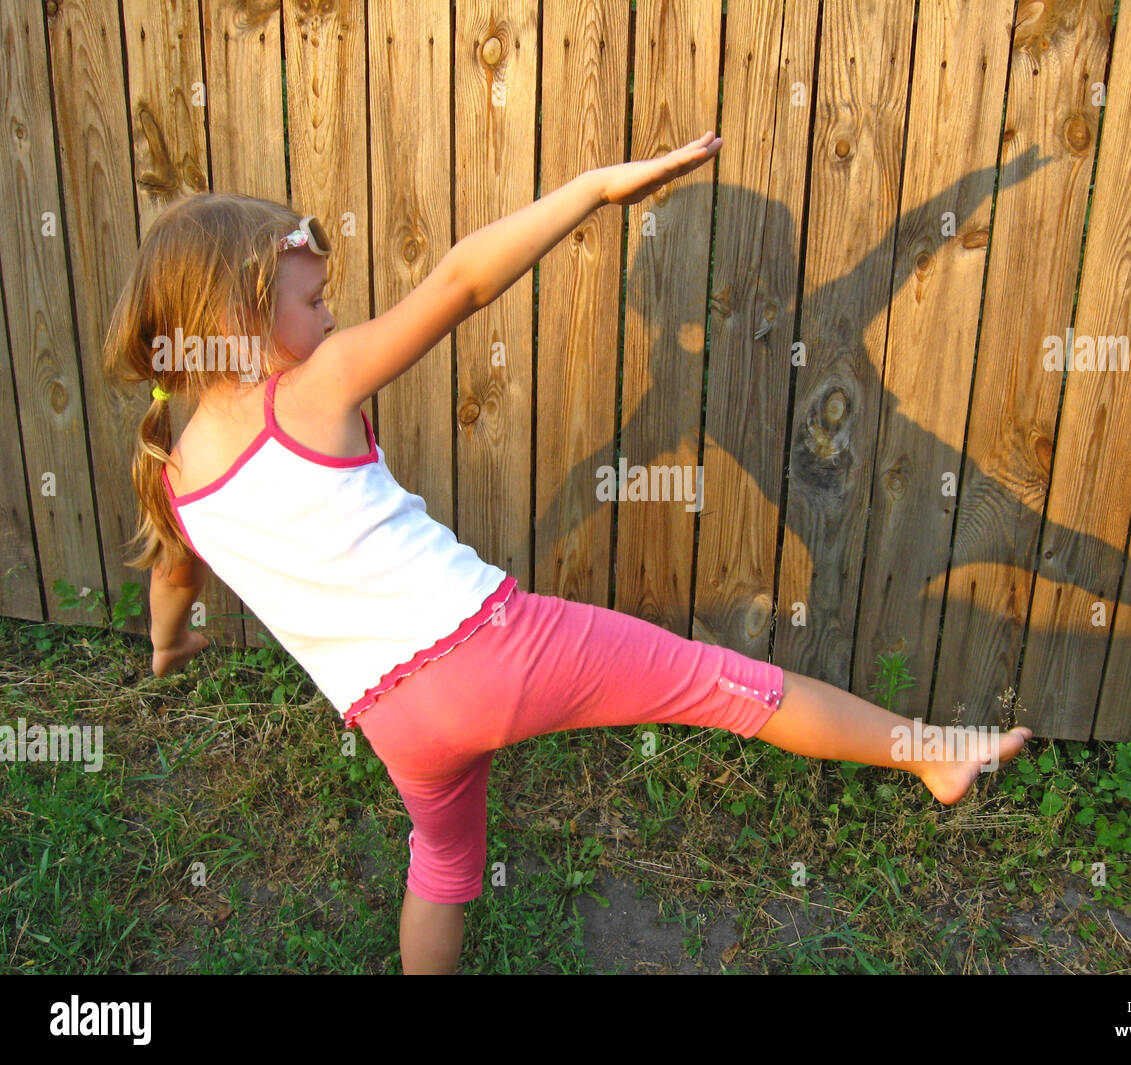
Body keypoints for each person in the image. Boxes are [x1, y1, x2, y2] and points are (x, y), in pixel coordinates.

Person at [103, 131, 1031, 975]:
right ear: (243, 310)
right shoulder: (307, 392)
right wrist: (590, 191)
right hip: (496, 651)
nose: (334, 318)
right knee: (727, 686)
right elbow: (462, 282)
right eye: (315, 301)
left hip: (396, 724)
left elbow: (172, 579)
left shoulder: (177, 476)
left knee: (444, 863)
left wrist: (167, 646)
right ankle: (932, 755)